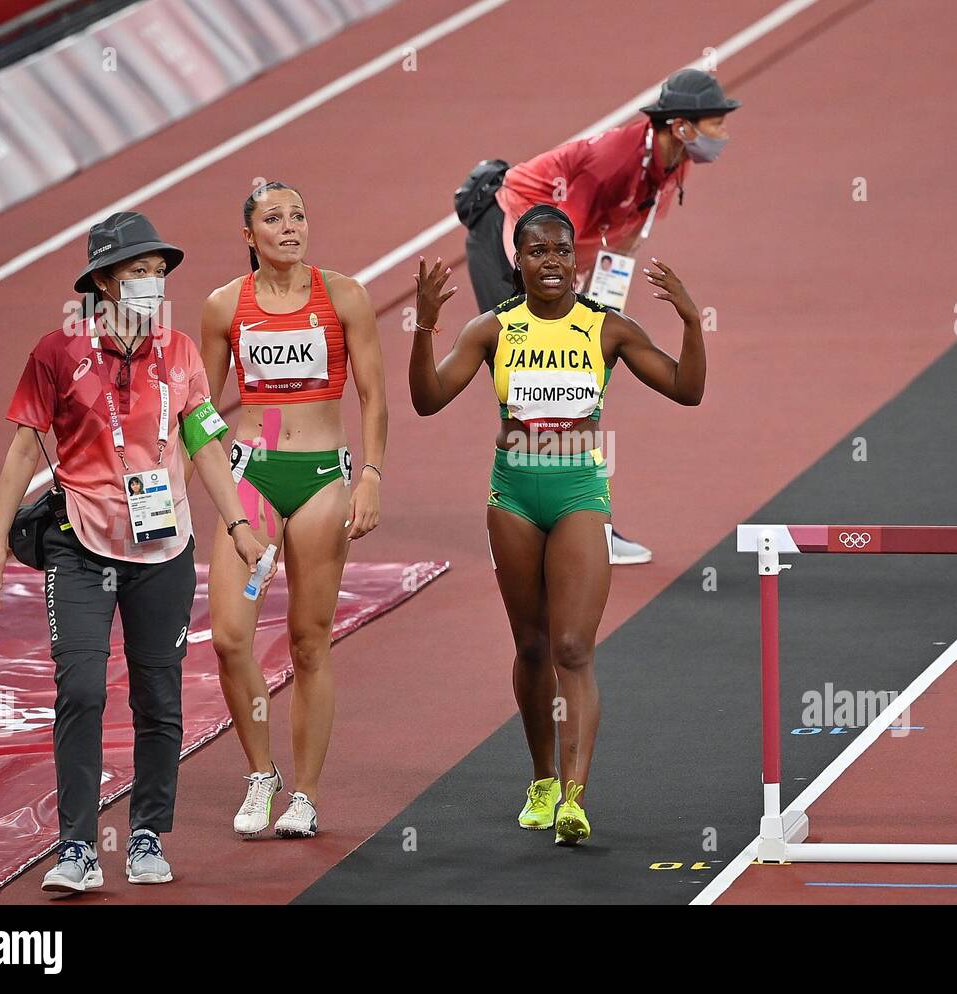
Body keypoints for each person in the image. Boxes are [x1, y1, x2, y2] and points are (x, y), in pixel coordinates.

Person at [0, 212, 271, 895]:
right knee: (80, 690)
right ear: (105, 281)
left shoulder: (180, 353)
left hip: (163, 548)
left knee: (158, 697)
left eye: (157, 272)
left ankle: (146, 832)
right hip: (78, 544)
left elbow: (203, 442)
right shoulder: (57, 352)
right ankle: (77, 847)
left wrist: (237, 525)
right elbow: (26, 445)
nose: (150, 282)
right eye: (136, 272)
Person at [409, 204, 705, 844]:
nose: (553, 263)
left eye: (563, 251)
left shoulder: (607, 331)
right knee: (533, 646)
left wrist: (689, 321)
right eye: (538, 252)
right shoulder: (493, 331)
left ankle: (575, 795)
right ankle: (542, 778)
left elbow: (687, 389)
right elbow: (428, 400)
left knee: (573, 646)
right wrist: (424, 328)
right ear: (518, 261)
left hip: (577, 490)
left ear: (579, 258)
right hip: (513, 493)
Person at [459, 68, 740, 565]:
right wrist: (574, 313)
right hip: (511, 236)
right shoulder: (613, 161)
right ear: (682, 126)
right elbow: (557, 239)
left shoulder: (673, 164)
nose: (723, 135)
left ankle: (580, 516)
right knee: (535, 380)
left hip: (558, 256)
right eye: (715, 124)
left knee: (577, 385)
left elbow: (626, 240)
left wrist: (605, 305)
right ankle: (516, 516)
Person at [201, 181, 387, 840]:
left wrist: (370, 474)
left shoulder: (345, 296)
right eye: (273, 218)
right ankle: (262, 772)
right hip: (253, 474)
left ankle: (304, 795)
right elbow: (197, 411)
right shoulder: (225, 306)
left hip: (319, 480)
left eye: (299, 215)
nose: (290, 226)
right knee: (229, 637)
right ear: (249, 236)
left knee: (310, 644)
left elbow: (373, 395)